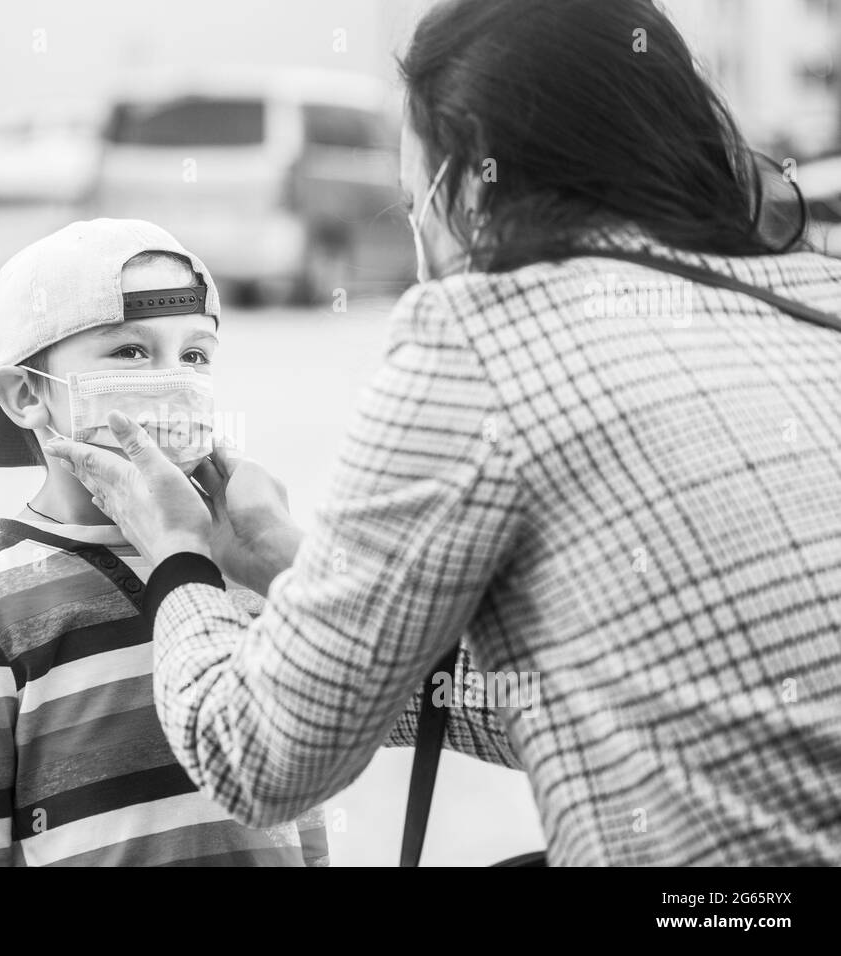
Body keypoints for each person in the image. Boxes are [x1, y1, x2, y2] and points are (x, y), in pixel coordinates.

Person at [43, 0, 841, 866]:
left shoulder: (480, 334)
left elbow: (253, 763)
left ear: (463, 183)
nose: (416, 228)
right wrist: (288, 569)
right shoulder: (818, 299)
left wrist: (178, 557)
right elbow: (611, 705)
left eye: (411, 193)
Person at [0, 218, 328, 866]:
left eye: (194, 355)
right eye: (131, 353)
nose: (174, 380)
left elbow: (300, 794)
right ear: (27, 393)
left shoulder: (239, 561)